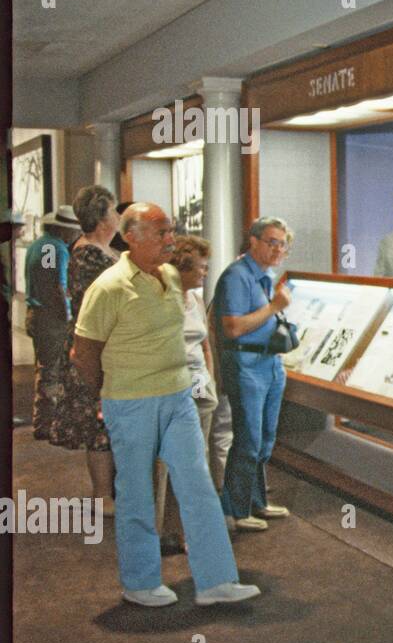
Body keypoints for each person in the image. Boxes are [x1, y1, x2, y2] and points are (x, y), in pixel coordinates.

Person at [71, 202, 259, 607]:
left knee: (198, 485)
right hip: (130, 401)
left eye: (171, 231)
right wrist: (108, 393)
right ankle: (140, 583)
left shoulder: (172, 277)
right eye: (161, 233)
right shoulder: (108, 287)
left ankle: (216, 581)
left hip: (178, 398)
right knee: (136, 491)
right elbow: (83, 354)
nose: (170, 240)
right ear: (131, 237)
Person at [213, 216, 294, 531]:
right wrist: (274, 307)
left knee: (265, 438)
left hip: (269, 364)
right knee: (247, 439)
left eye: (282, 244)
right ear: (254, 242)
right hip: (246, 364)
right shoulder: (237, 276)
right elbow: (232, 328)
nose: (277, 249)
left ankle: (256, 502)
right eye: (271, 242)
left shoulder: (265, 275)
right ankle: (236, 509)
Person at [50, 188, 119, 512]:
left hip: (102, 346)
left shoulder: (97, 250)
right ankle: (102, 494)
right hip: (94, 349)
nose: (118, 217)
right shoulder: (90, 254)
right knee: (99, 423)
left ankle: (108, 491)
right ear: (103, 217)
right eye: (114, 211)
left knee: (106, 420)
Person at [151, 234, 219, 555]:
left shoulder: (195, 298)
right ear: (182, 268)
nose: (205, 273)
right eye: (201, 267)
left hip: (198, 390)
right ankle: (151, 535)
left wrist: (210, 382)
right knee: (161, 467)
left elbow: (205, 343)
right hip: (168, 391)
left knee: (193, 465)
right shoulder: (161, 299)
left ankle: (182, 532)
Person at [24, 205, 79, 439]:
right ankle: (46, 425)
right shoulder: (56, 249)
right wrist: (68, 314)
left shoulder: (38, 245)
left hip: (36, 313)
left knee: (45, 367)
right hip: (51, 318)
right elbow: (58, 284)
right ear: (64, 230)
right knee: (52, 370)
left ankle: (43, 421)